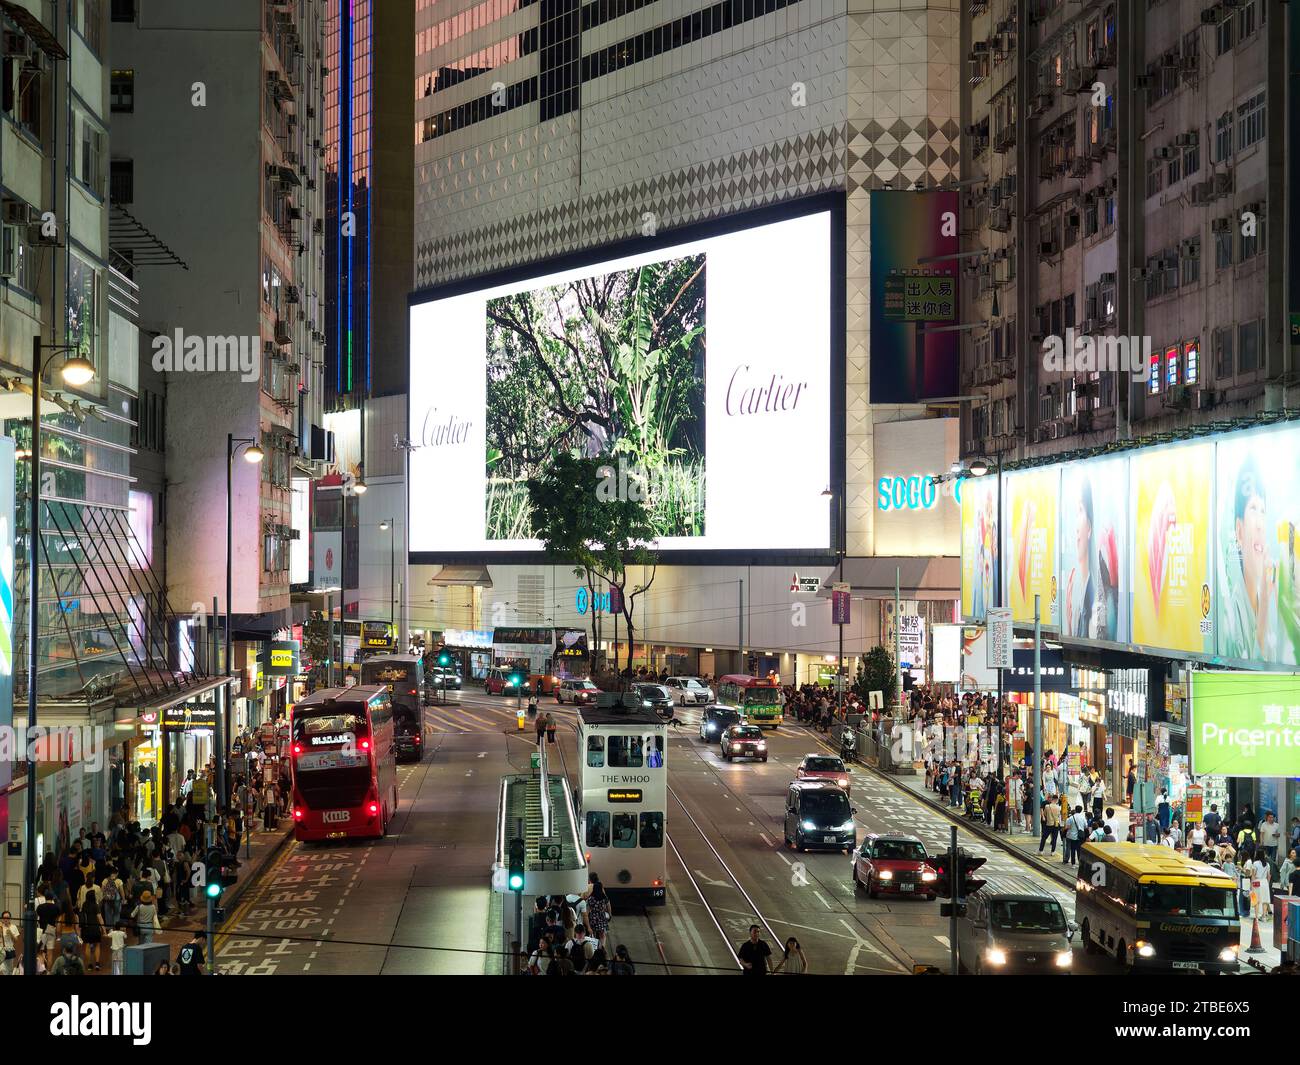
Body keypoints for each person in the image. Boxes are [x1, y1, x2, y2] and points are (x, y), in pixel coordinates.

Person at [582, 873, 613, 948]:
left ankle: (595, 949)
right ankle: (602, 948)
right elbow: (608, 906)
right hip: (602, 918)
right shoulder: (604, 898)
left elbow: (587, 911)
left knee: (593, 935)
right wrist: (610, 914)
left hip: (592, 919)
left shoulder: (591, 899)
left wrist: (587, 924)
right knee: (602, 935)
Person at [80, 891, 105, 971]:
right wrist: (104, 929)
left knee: (87, 945)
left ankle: (90, 964)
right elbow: (100, 918)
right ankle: (97, 964)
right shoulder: (95, 905)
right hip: (95, 928)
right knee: (97, 945)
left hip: (86, 928)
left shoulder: (84, 905)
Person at [1251, 852, 1272, 921]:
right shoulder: (1267, 864)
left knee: (1256, 899)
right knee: (1265, 900)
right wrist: (1267, 883)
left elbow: (1253, 875)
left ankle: (1256, 917)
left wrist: (1251, 885)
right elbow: (1269, 875)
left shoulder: (1255, 863)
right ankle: (1264, 917)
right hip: (1264, 882)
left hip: (1257, 881)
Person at [0, 910, 19, 976]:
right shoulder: (0, 927)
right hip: (1, 950)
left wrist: (11, 933)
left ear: (10, 918)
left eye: (7, 917)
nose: (6, 919)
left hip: (9, 950)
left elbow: (16, 940)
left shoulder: (13, 927)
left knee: (9, 970)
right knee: (2, 968)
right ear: (2, 918)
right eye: (4, 917)